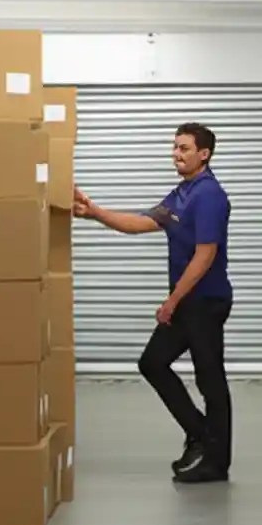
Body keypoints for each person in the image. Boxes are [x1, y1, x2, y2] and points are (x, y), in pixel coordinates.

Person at [73, 122, 233, 484]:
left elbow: (204, 256)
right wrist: (94, 211)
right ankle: (201, 435)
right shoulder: (182, 193)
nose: (176, 154)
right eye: (175, 147)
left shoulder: (209, 195)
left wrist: (171, 302)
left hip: (205, 302)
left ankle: (216, 463)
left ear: (204, 154)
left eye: (184, 149)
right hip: (187, 302)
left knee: (211, 381)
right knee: (153, 363)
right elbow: (140, 222)